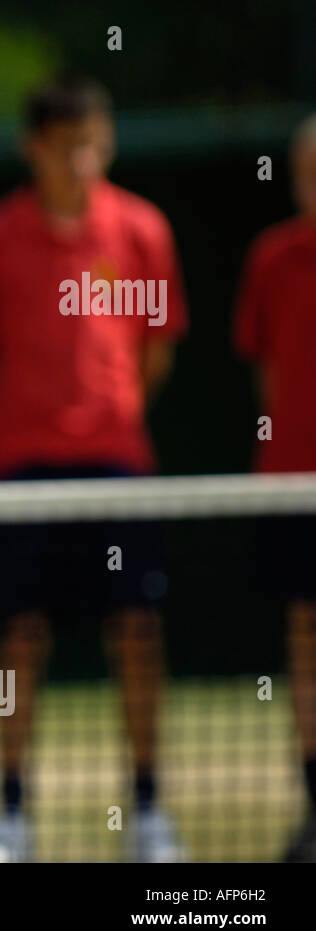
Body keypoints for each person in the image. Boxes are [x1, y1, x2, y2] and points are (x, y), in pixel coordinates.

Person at [0, 74, 188, 862]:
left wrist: (107, 416)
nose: (85, 161)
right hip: (21, 467)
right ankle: (12, 811)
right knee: (18, 635)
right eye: (68, 147)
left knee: (137, 630)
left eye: (96, 143)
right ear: (35, 149)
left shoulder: (144, 229)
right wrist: (28, 426)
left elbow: (157, 350)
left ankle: (149, 809)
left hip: (118, 462)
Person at [233, 113, 316, 863]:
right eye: (305, 169)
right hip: (295, 486)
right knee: (305, 642)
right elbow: (269, 377)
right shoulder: (272, 257)